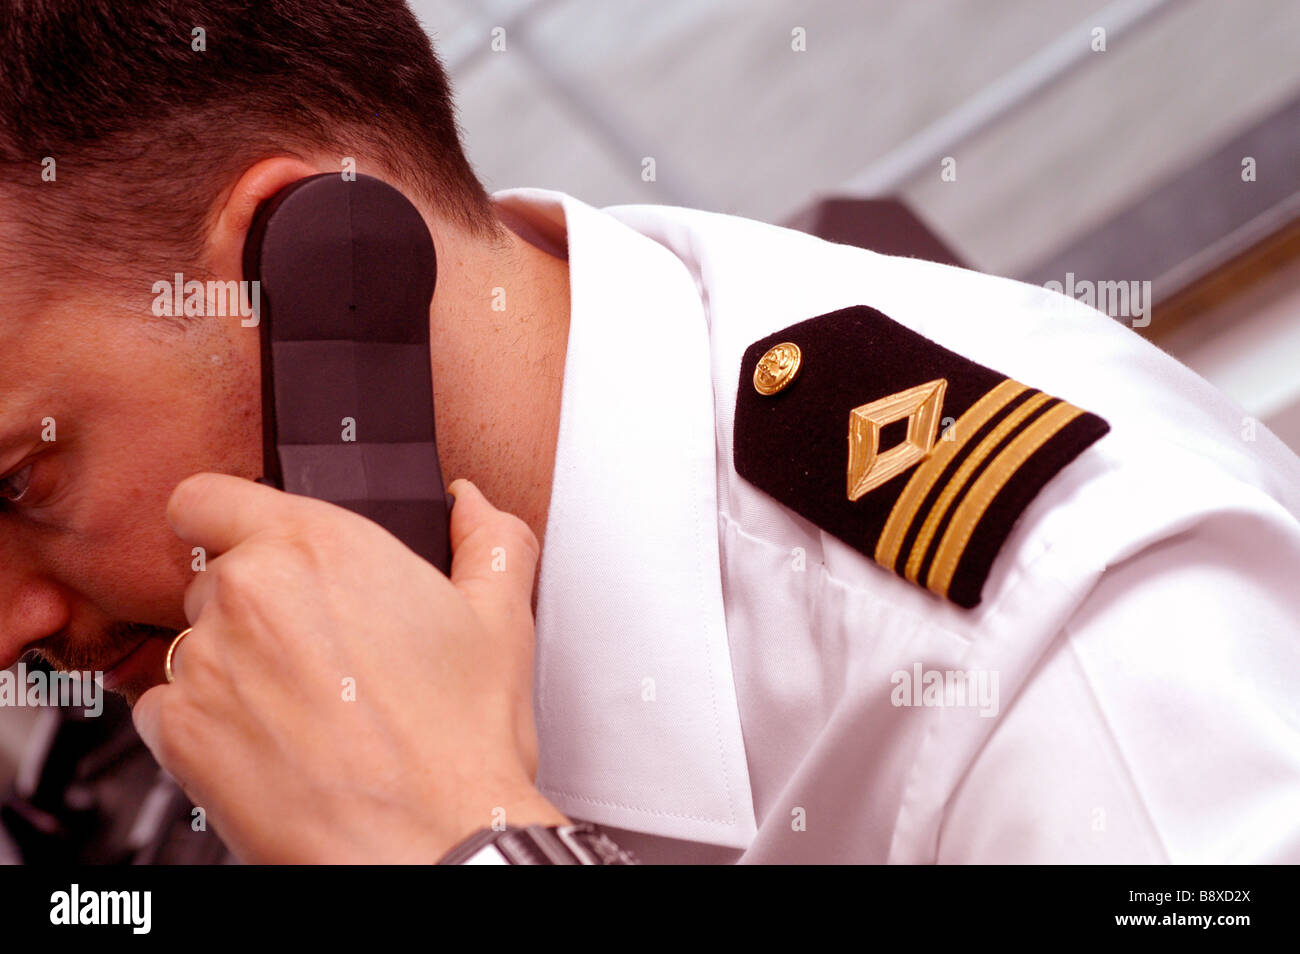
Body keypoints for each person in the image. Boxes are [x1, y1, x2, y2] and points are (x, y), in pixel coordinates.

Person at [2, 0, 1298, 865]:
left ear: (318, 273)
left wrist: (460, 847)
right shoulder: (232, 676)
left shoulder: (1073, 666)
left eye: (16, 483)